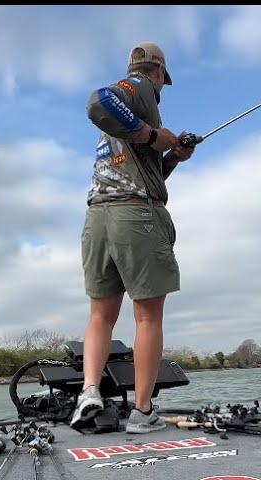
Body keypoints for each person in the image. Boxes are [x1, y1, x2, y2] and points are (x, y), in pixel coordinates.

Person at [70, 41, 194, 433]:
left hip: (98, 219)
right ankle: (142, 412)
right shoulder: (138, 88)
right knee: (147, 315)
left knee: (100, 315)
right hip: (135, 217)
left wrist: (172, 154)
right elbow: (98, 101)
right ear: (157, 72)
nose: (160, 86)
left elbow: (147, 171)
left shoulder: (123, 124)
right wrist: (150, 133)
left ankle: (89, 390)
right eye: (162, 79)